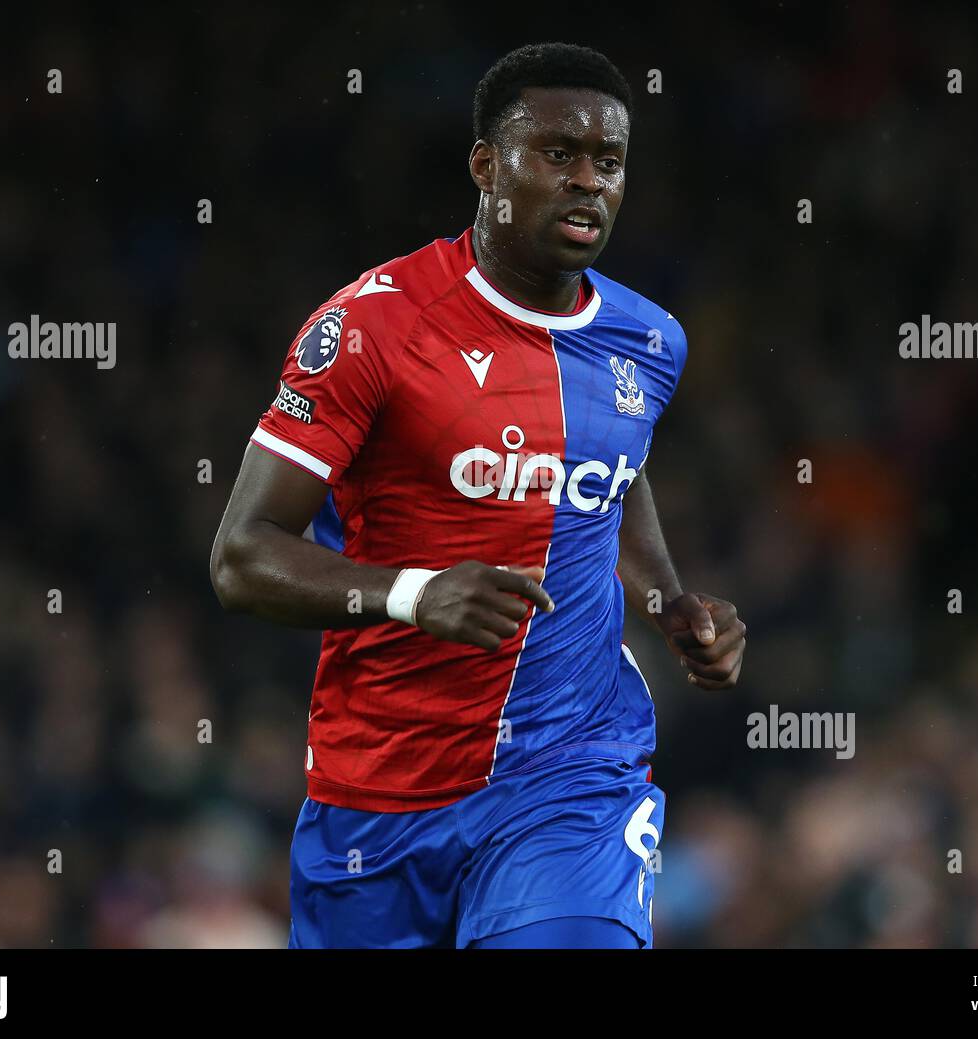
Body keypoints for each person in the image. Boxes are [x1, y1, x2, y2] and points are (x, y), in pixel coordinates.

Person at [210, 42, 745, 949]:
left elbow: (618, 469)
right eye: (557, 155)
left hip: (570, 773)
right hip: (379, 793)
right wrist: (415, 594)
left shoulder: (648, 340)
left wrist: (666, 599)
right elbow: (243, 555)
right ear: (486, 166)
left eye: (607, 162)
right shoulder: (372, 326)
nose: (587, 182)